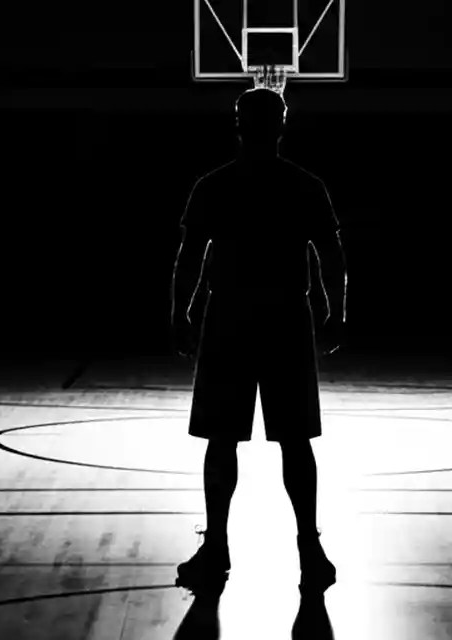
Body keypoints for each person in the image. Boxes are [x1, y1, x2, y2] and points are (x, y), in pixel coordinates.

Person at [170, 87, 347, 593]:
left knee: (221, 439)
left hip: (229, 317)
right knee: (296, 441)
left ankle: (217, 546)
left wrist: (180, 314)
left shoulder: (214, 185)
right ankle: (309, 549)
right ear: (283, 124)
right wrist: (336, 313)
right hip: (286, 317)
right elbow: (331, 257)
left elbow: (188, 259)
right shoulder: (304, 185)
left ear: (238, 124)